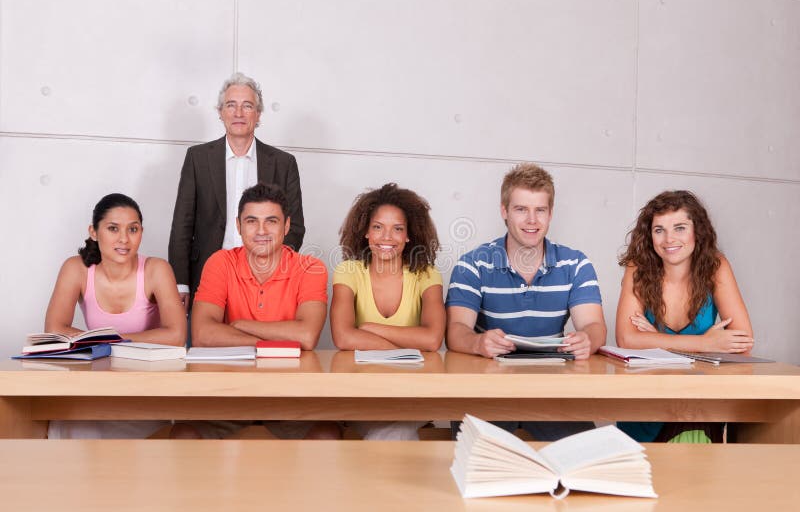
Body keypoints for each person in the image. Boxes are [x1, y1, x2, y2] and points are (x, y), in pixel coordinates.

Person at [445, 163, 606, 440]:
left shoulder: (575, 264)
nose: (532, 220)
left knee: (587, 456)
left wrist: (587, 340)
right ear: (504, 211)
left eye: (540, 210)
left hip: (552, 391)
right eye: (521, 209)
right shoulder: (472, 264)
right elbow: (456, 331)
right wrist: (477, 343)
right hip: (486, 390)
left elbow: (594, 325)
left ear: (550, 214)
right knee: (480, 461)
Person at [173, 182, 335, 439]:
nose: (261, 231)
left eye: (271, 221)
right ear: (238, 226)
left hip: (290, 392)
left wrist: (240, 325)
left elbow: (306, 336)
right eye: (251, 221)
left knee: (326, 434)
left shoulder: (310, 268)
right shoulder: (220, 263)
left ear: (287, 226)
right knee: (184, 433)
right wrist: (276, 344)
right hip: (228, 391)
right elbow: (203, 334)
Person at [615, 190, 753, 442]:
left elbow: (742, 344)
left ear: (697, 231)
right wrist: (705, 344)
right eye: (659, 230)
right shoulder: (638, 267)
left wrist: (656, 342)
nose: (669, 239)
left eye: (680, 228)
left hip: (698, 400)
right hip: (646, 401)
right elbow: (626, 339)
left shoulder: (716, 266)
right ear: (649, 235)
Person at [45, 193, 187, 438]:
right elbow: (54, 329)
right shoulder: (76, 268)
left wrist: (109, 340)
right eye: (113, 228)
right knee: (67, 427)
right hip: (94, 385)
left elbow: (176, 335)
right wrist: (119, 341)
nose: (124, 239)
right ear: (93, 232)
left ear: (141, 232)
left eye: (133, 229)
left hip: (144, 387)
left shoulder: (156, 269)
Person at [168, 72, 305, 312]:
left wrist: (271, 267)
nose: (238, 113)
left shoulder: (283, 163)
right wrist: (181, 282)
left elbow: (294, 227)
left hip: (264, 278)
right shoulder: (198, 158)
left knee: (257, 337)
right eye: (231, 105)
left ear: (258, 114)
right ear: (220, 112)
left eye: (247, 106)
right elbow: (182, 224)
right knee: (205, 335)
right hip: (208, 275)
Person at [330, 183, 445, 440]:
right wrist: (405, 354)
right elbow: (343, 337)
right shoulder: (348, 272)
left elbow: (432, 339)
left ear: (408, 235)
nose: (386, 237)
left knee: (395, 432)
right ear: (366, 232)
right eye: (378, 227)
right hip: (361, 391)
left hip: (411, 392)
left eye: (398, 229)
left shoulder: (427, 275)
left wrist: (369, 329)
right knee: (393, 434)